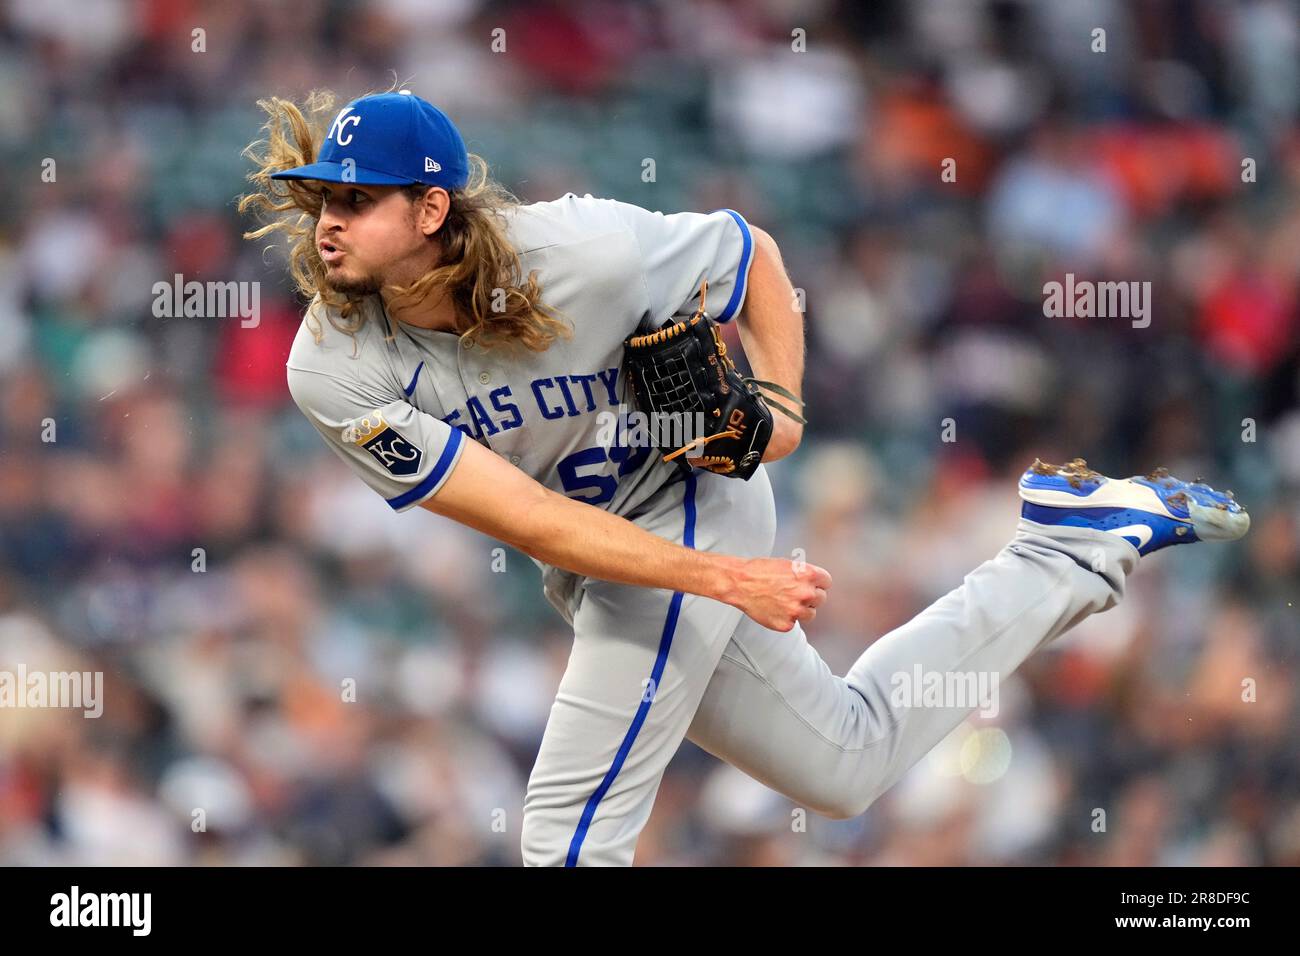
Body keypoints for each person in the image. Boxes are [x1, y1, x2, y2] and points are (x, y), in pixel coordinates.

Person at [239, 89, 1249, 866]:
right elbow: (534, 521)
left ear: (431, 207)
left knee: (566, 828)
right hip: (615, 549)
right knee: (844, 760)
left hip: (692, 495)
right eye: (323, 197)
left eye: (357, 199)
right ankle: (1067, 545)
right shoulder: (332, 366)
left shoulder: (579, 252)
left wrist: (785, 411)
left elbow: (749, 254)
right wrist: (723, 581)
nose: (328, 221)